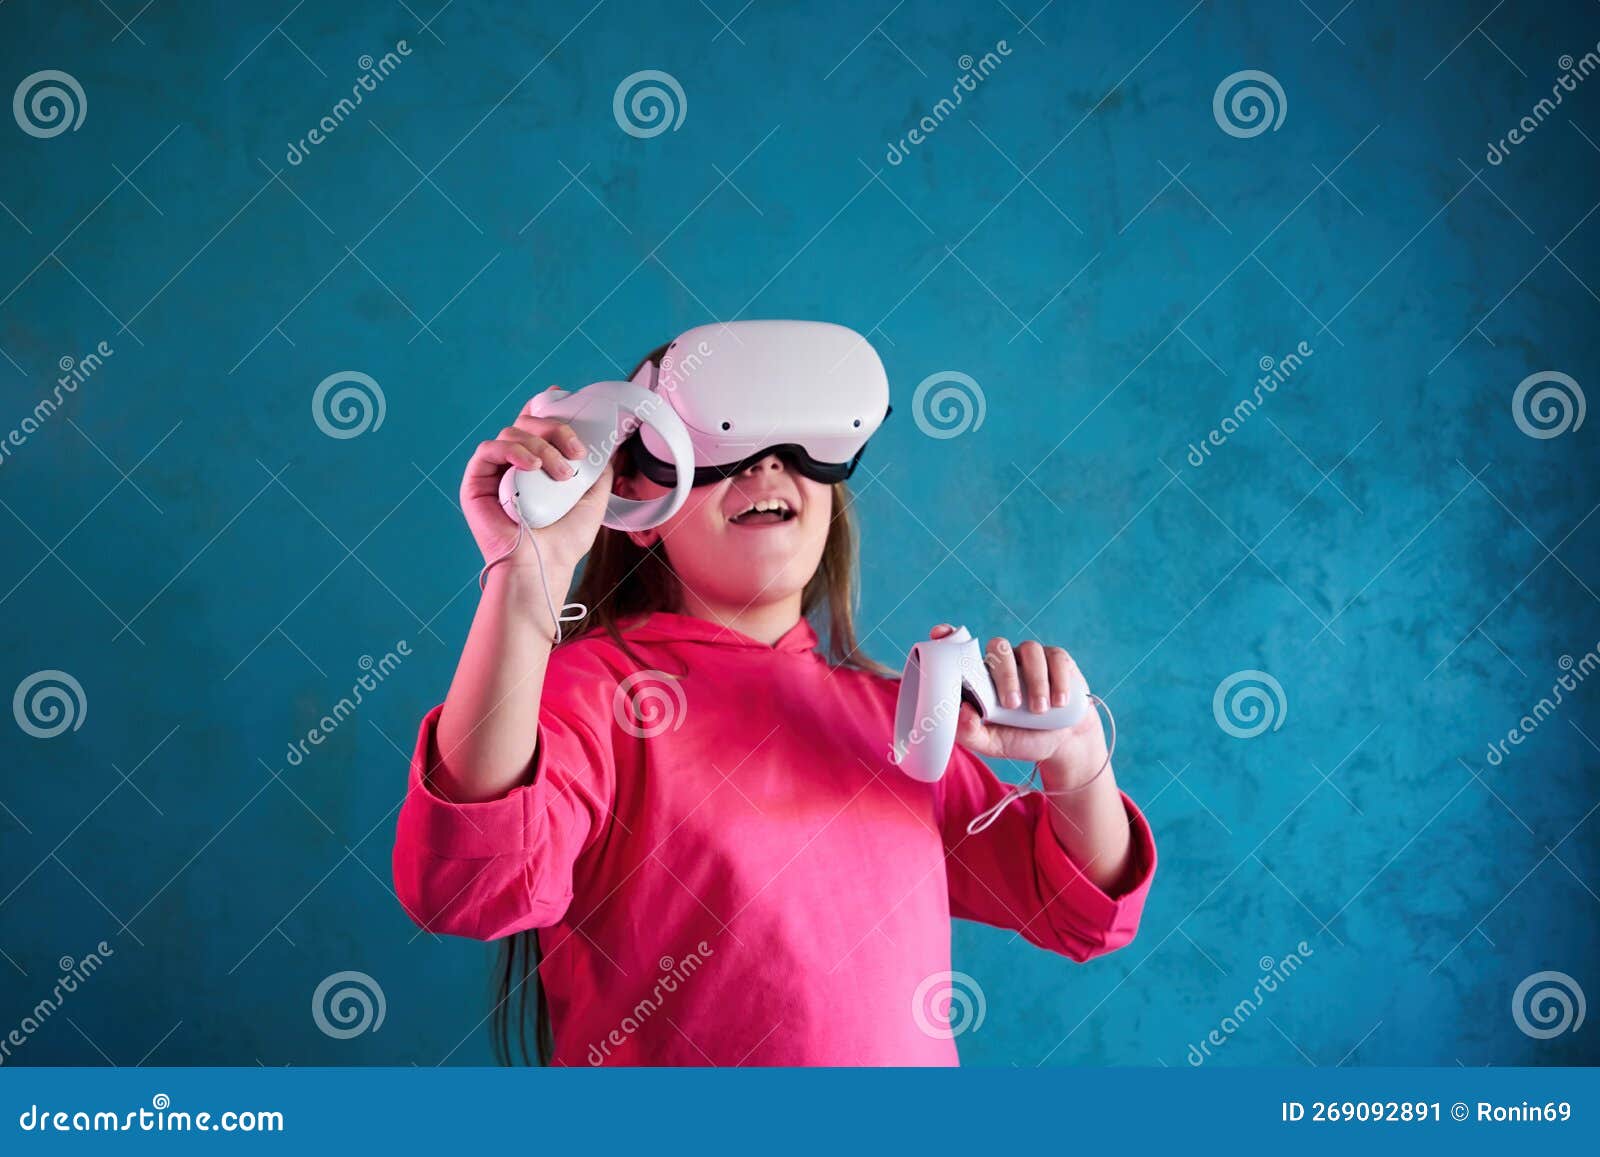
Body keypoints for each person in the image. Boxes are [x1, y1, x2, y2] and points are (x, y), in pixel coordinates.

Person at [391, 336, 1157, 1066]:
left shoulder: (905, 717)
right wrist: (527, 572)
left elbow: (1081, 907)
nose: (764, 462)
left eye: (797, 443)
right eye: (718, 443)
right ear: (634, 503)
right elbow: (467, 883)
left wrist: (1078, 755)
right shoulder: (593, 694)